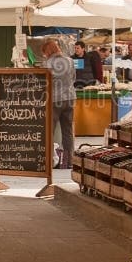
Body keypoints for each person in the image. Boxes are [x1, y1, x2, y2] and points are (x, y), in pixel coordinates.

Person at [41, 38, 76, 169]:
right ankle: (69, 161)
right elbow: (73, 78)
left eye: (44, 52)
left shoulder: (47, 64)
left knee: (49, 130)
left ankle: (49, 160)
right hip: (70, 98)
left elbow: (44, 82)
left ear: (47, 51)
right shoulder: (69, 60)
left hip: (54, 100)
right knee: (67, 131)